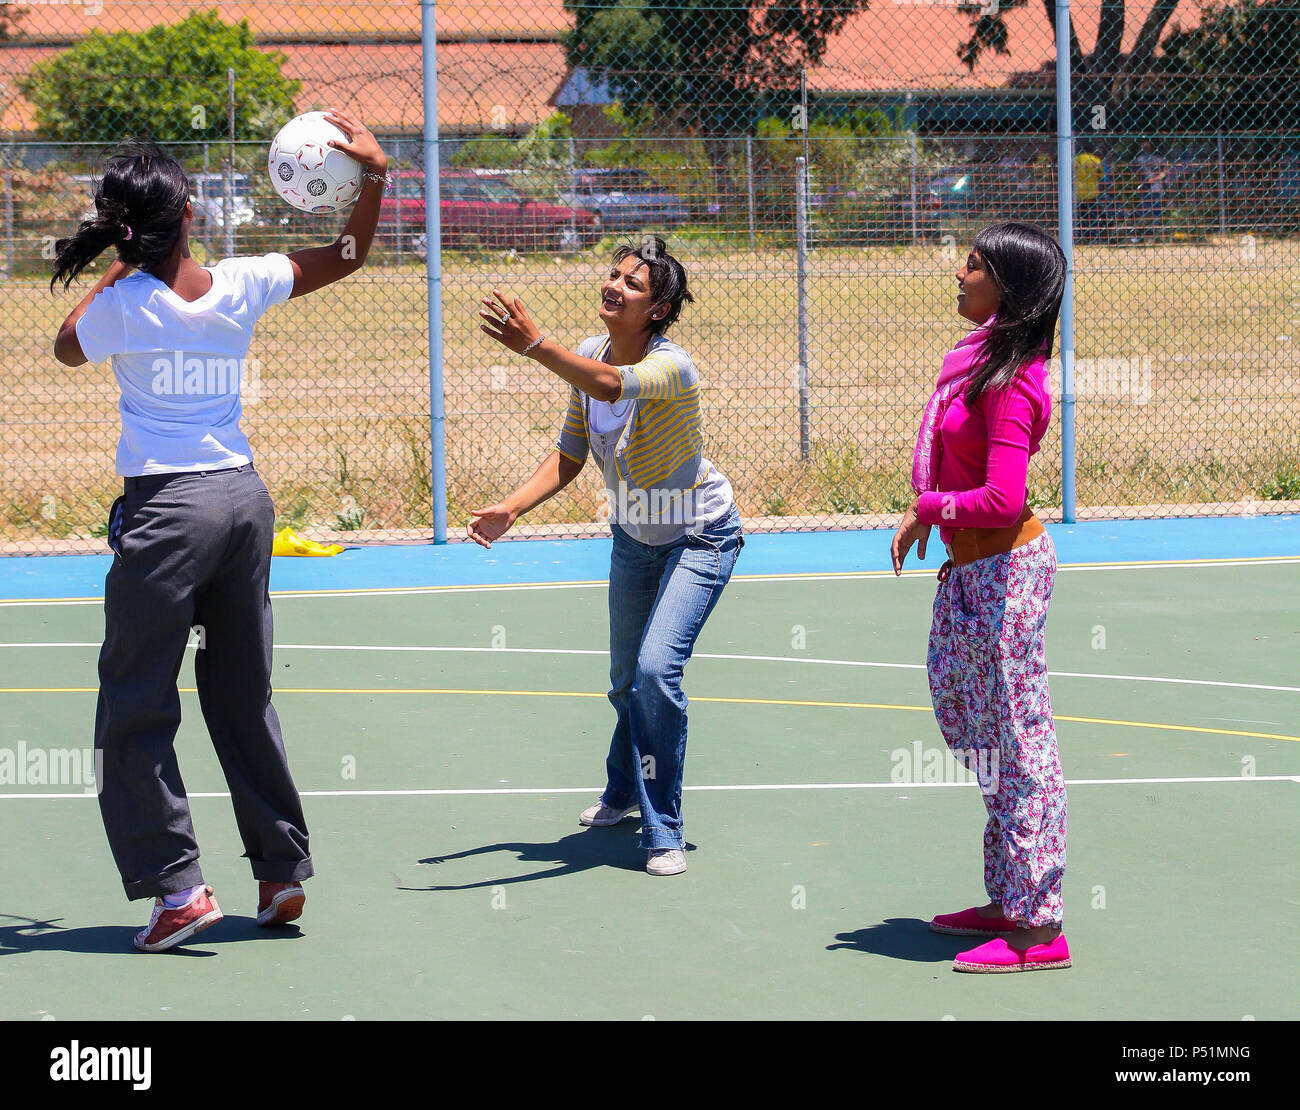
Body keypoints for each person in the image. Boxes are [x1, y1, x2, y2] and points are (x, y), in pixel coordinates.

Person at [51, 113, 388, 951]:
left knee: (135, 705)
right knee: (242, 695)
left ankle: (177, 891)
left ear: (126, 232)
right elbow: (349, 257)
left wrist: (119, 261)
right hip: (244, 504)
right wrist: (375, 177)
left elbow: (63, 348)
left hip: (167, 515)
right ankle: (279, 874)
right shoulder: (244, 282)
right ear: (192, 217)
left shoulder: (124, 303)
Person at [470, 236, 743, 877]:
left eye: (633, 283)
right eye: (612, 274)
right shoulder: (587, 357)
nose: (614, 286)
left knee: (654, 674)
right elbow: (569, 453)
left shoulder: (672, 367)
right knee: (625, 684)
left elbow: (616, 385)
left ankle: (663, 828)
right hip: (633, 538)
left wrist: (536, 346)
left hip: (699, 536)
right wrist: (512, 507)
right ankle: (622, 789)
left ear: (659, 307)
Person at [891, 222, 1070, 973]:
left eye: (973, 266)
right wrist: (938, 525)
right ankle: (1007, 896)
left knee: (1021, 749)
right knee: (980, 736)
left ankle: (1039, 928)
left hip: (1007, 574)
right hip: (973, 573)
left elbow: (1003, 497)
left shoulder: (1014, 380)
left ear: (1008, 287)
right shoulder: (977, 364)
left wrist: (930, 511)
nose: (959, 274)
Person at [1134, 140, 1168, 241]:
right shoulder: (1156, 159)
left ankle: (1148, 237)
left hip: (1149, 190)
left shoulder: (1140, 160)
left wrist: (1155, 178)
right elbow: (1165, 170)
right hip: (1151, 190)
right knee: (1152, 214)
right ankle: (1149, 237)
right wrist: (1160, 176)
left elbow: (1138, 175)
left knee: (1147, 214)